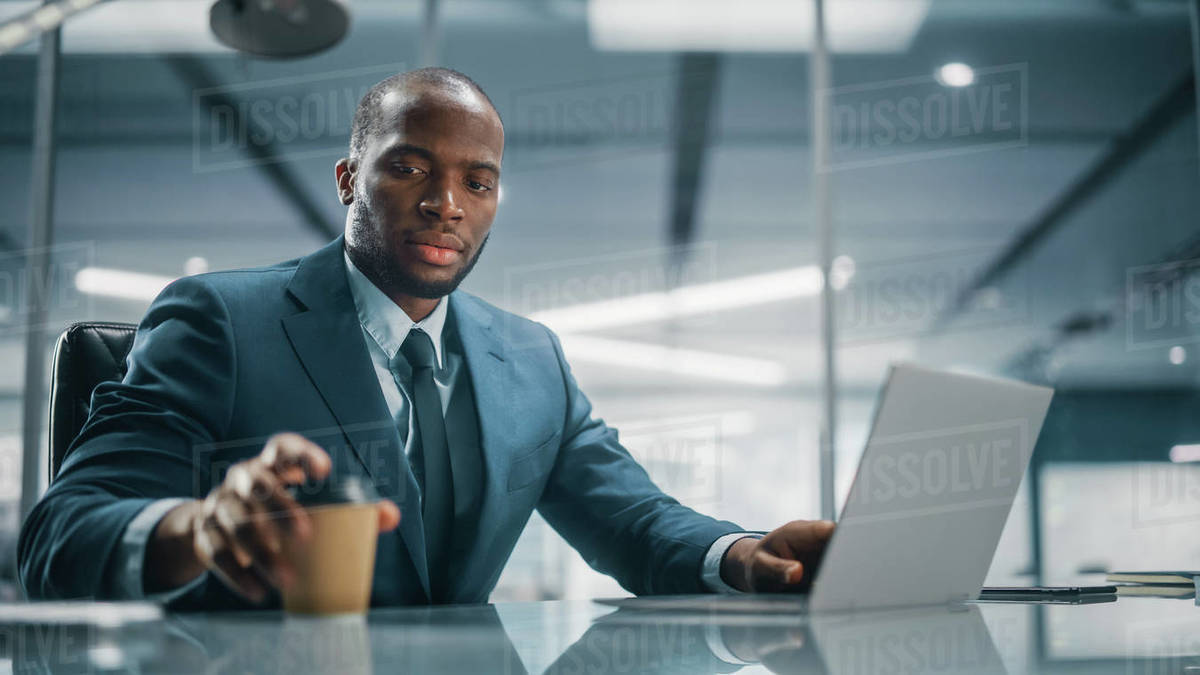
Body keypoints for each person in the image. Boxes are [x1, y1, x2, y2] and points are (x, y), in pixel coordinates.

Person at [18, 68, 834, 608]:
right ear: (349, 180)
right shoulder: (219, 323)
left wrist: (744, 551)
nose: (449, 201)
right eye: (410, 167)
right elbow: (60, 538)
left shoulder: (532, 362)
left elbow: (633, 523)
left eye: (478, 182)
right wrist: (197, 527)